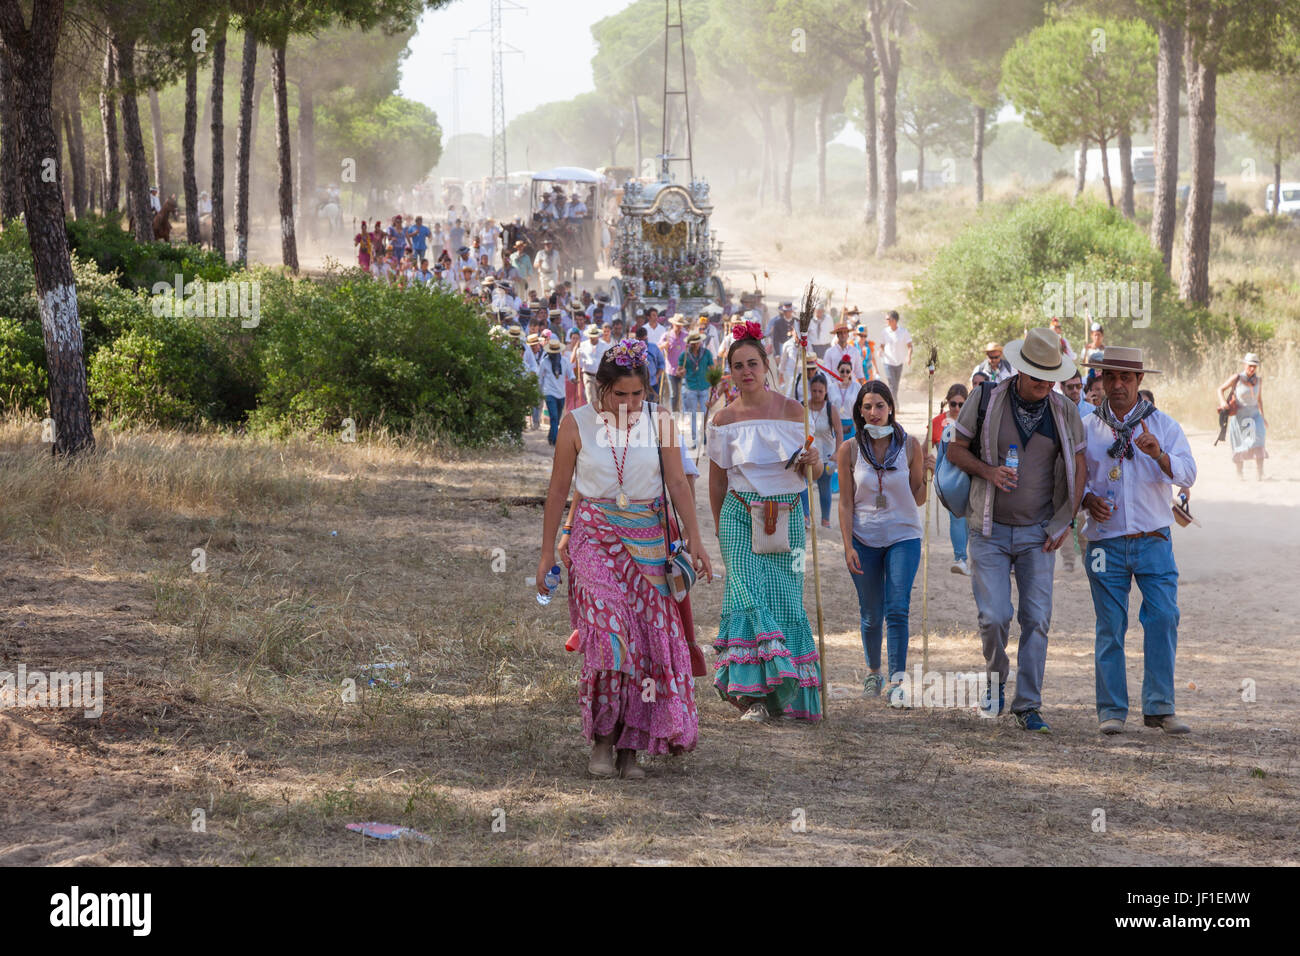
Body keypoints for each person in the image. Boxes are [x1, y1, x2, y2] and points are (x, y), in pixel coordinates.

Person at [537, 341, 711, 778]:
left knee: (646, 646)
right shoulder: (575, 423)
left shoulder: (661, 421)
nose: (630, 404)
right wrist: (545, 554)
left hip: (649, 542)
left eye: (638, 395)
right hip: (593, 537)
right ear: (602, 389)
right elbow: (558, 491)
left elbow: (677, 482)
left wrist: (695, 538)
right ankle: (601, 743)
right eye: (620, 395)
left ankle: (631, 748)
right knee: (610, 638)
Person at [944, 328, 1086, 733]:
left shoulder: (1065, 411)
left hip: (1038, 533)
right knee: (993, 617)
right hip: (987, 528)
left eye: (1050, 378)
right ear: (1020, 371)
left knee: (1037, 618)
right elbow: (956, 449)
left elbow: (1080, 467)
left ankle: (1029, 704)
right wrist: (988, 471)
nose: (1044, 385)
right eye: (1037, 377)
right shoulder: (986, 398)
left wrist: (1066, 521)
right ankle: (995, 677)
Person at [707, 320, 824, 722]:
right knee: (747, 596)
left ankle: (787, 694)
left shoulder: (796, 414)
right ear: (731, 371)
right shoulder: (723, 420)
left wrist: (815, 462)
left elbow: (816, 472)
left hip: (787, 516)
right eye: (738, 365)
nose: (746, 372)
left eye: (752, 363)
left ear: (766, 364)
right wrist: (720, 529)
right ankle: (752, 696)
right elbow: (717, 479)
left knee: (787, 599)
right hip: (739, 515)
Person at [1078, 346, 1196, 736]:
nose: (1117, 385)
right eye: (1109, 377)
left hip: (1154, 538)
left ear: (1139, 381)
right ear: (1101, 381)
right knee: (1110, 624)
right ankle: (1111, 710)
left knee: (1163, 617)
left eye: (1125, 378)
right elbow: (1071, 479)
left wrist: (1160, 456)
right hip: (1102, 543)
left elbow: (1188, 474)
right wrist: (1086, 500)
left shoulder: (1163, 426)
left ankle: (1160, 707)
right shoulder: (1087, 428)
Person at [838, 380, 932, 702]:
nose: (874, 412)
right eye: (867, 407)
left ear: (891, 407)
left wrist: (927, 475)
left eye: (880, 406)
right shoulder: (849, 450)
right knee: (870, 612)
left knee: (897, 608)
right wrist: (848, 545)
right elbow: (846, 503)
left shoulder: (910, 446)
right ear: (859, 411)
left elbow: (917, 498)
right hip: (864, 537)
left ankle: (896, 680)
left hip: (903, 535)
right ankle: (872, 673)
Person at [931, 384, 970, 575]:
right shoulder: (938, 421)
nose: (956, 408)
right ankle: (960, 557)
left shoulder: (971, 422)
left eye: (961, 405)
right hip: (948, 477)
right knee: (956, 516)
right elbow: (926, 446)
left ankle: (965, 555)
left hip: (968, 475)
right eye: (953, 404)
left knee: (969, 518)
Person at [802, 374, 843, 530]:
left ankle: (825, 520)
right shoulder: (803, 406)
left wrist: (838, 452)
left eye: (820, 391)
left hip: (826, 455)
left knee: (825, 487)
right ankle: (805, 516)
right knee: (803, 486)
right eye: (814, 391)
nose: (817, 394)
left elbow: (839, 432)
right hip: (807, 455)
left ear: (826, 391)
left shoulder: (830, 408)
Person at [1217, 352, 1268, 480]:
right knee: (1240, 444)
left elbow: (1259, 400)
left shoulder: (1258, 380)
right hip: (1240, 416)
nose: (1252, 368)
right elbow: (1220, 389)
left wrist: (1263, 416)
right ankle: (1240, 474)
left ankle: (1260, 474)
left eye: (1254, 366)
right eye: (1250, 365)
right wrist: (1223, 402)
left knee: (1259, 441)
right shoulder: (1237, 378)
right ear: (1244, 364)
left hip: (1255, 415)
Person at [678, 331, 714, 447]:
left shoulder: (706, 353)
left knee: (704, 413)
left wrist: (714, 380)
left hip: (704, 386)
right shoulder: (684, 355)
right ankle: (694, 440)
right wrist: (681, 372)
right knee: (693, 414)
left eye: (697, 343)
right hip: (691, 387)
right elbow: (679, 371)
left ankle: (703, 435)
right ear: (689, 344)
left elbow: (712, 367)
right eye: (693, 343)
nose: (696, 345)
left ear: (700, 342)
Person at [537, 339, 575, 446]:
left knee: (557, 418)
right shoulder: (544, 362)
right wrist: (539, 391)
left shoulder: (565, 361)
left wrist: (573, 379)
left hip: (561, 393)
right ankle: (555, 440)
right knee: (553, 416)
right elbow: (539, 378)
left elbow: (570, 373)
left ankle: (551, 436)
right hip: (549, 392)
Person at [659, 315, 689, 414]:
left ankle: (685, 413)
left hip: (683, 369)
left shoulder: (686, 335)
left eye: (680, 325)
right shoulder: (666, 335)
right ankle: (675, 413)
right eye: (677, 325)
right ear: (673, 324)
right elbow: (658, 348)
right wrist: (664, 345)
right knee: (674, 394)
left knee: (685, 393)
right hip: (671, 369)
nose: (679, 327)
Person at [880, 310, 912, 402]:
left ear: (894, 320)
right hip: (888, 362)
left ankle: (893, 401)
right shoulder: (885, 332)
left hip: (899, 362)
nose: (886, 321)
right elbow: (882, 345)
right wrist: (880, 351)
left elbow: (909, 346)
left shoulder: (903, 332)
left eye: (887, 319)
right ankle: (893, 404)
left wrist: (909, 357)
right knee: (892, 383)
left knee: (896, 385)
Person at [578, 324, 610, 407]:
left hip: (601, 376)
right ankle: (592, 419)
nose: (593, 337)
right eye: (591, 336)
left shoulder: (605, 345)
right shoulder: (583, 345)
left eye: (594, 336)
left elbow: (608, 360)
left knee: (602, 400)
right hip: (588, 375)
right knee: (591, 400)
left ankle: (602, 418)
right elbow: (580, 362)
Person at [827, 356, 859, 441]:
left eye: (847, 371)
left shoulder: (856, 387)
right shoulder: (831, 387)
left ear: (851, 372)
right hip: (835, 424)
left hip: (852, 424)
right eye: (842, 371)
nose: (845, 374)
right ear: (838, 370)